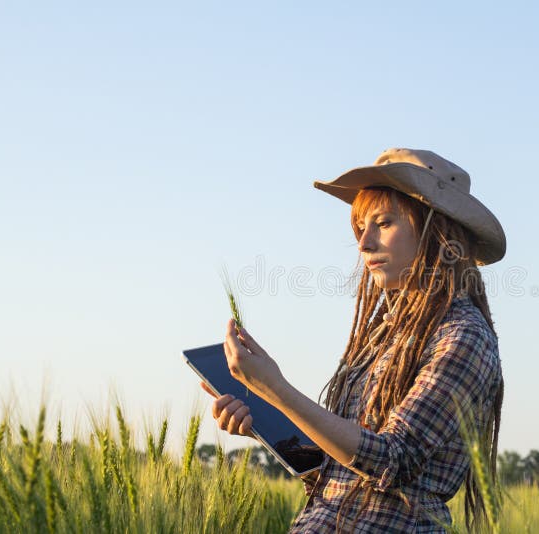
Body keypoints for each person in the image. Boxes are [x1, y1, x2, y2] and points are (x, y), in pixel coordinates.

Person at [202, 148, 506, 533]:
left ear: (438, 231)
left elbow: (393, 460)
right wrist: (264, 417)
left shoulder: (463, 336)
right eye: (360, 227)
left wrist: (276, 388)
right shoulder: (385, 332)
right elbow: (337, 472)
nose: (363, 244)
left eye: (382, 223)